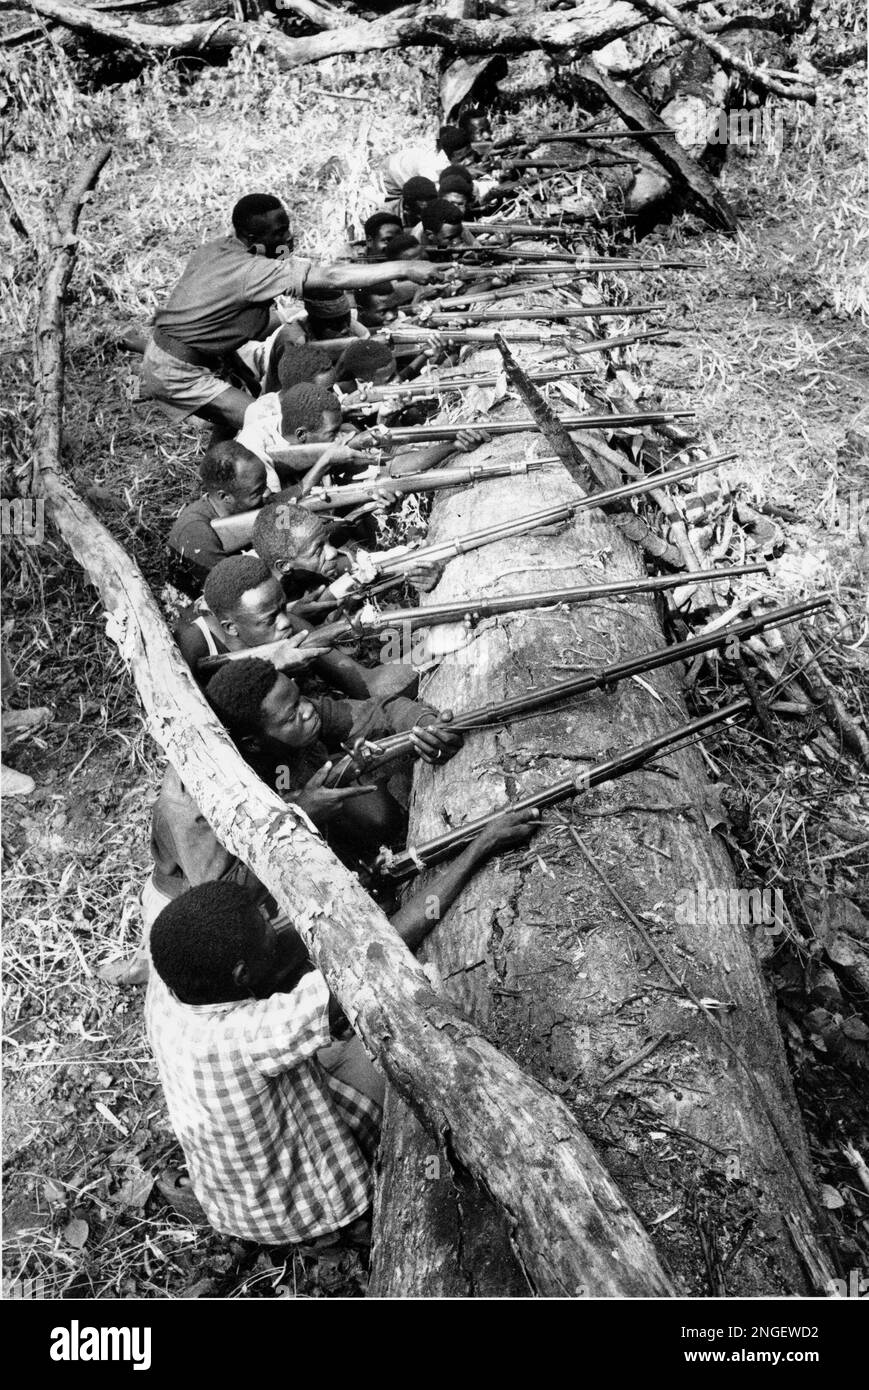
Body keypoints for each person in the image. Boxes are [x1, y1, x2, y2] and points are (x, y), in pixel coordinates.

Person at [146, 810, 538, 1247]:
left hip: (238, 1191)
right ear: (240, 975)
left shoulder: (168, 992)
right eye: (266, 933)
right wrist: (479, 848)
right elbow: (377, 949)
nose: (277, 931)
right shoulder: (251, 1035)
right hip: (303, 1204)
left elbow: (282, 950)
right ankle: (344, 1229)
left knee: (340, 1043)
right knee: (408, 1037)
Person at [138, 193, 446, 429]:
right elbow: (332, 277)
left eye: (286, 227)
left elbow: (212, 319)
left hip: (191, 356)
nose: (286, 237)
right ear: (252, 238)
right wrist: (406, 267)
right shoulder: (251, 270)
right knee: (270, 424)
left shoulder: (220, 249)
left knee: (245, 419)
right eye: (278, 232)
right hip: (179, 371)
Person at [166, 441, 269, 597]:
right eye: (256, 492)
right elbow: (235, 594)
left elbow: (281, 512)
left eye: (265, 485)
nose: (267, 492)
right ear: (224, 496)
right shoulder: (196, 532)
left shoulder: (245, 506)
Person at [383, 127, 473, 210]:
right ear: (448, 157)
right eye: (461, 159)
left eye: (469, 154)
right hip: (390, 176)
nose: (469, 161)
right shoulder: (432, 167)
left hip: (402, 163)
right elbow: (443, 194)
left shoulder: (445, 150)